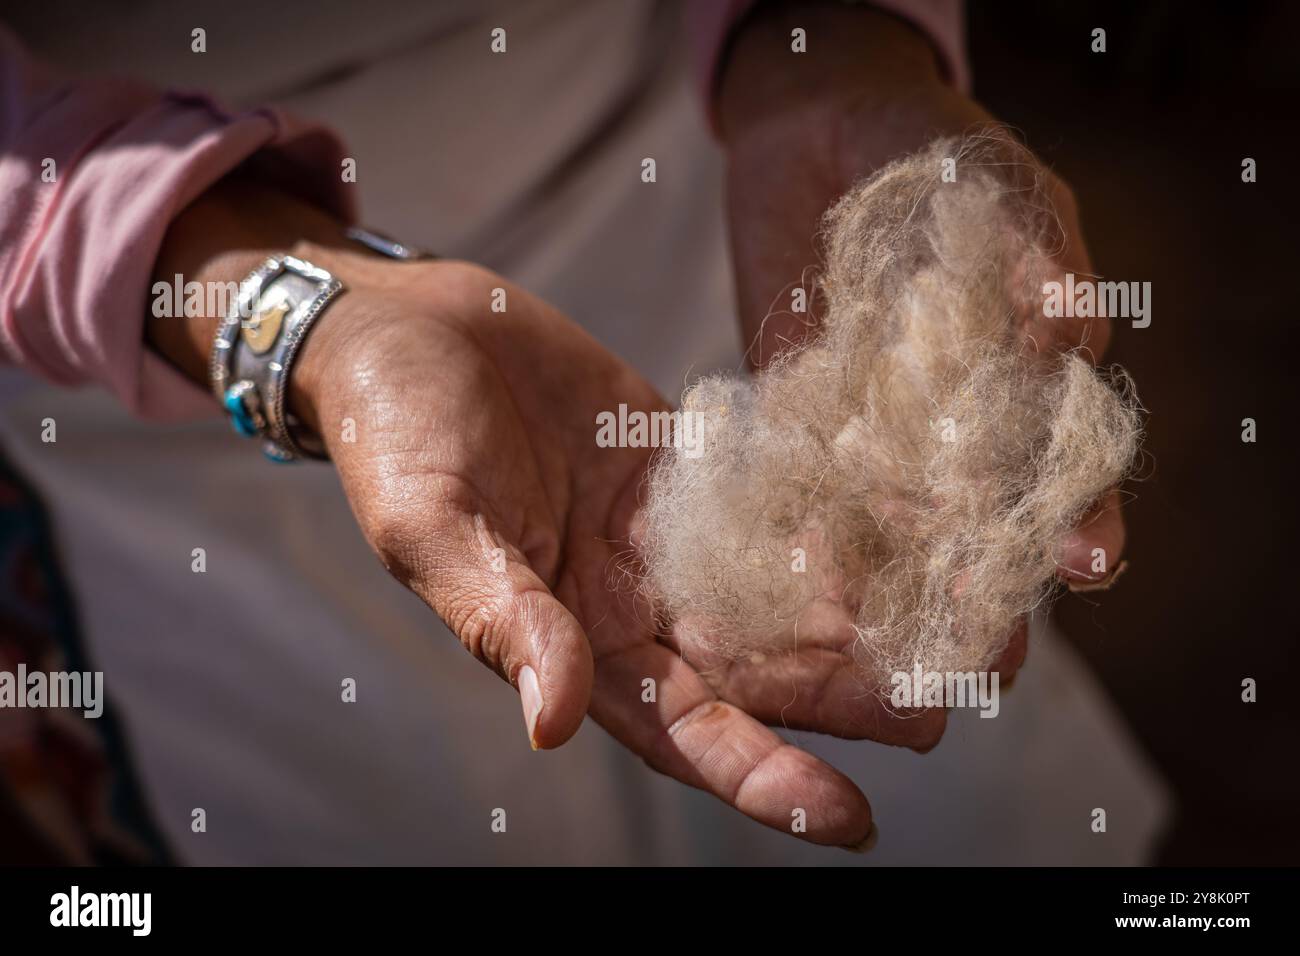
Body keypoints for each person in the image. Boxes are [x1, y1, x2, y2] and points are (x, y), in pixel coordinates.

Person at [0, 0, 1167, 863]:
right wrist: (284, 313)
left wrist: (825, 40)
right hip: (164, 342)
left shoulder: (781, 331)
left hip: (709, 195)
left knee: (925, 756)